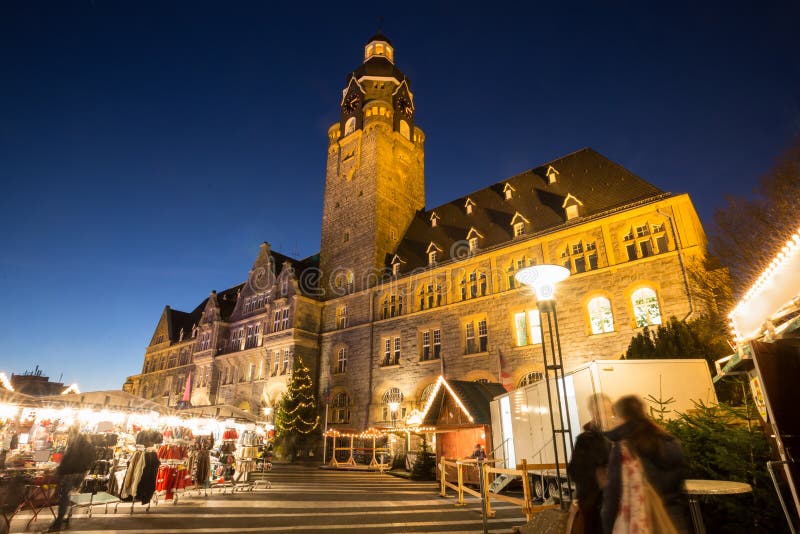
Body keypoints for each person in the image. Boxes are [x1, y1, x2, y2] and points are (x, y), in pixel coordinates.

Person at [601, 395, 688, 534]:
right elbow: (679, 486)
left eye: (615, 417)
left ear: (622, 417)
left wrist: (608, 526)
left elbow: (614, 495)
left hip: (641, 521)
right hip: (672, 521)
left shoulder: (624, 448)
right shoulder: (671, 442)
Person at [567, 393, 613, 534]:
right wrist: (596, 474)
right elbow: (573, 471)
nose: (603, 415)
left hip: (615, 503)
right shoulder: (585, 439)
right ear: (592, 412)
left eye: (606, 411)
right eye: (599, 411)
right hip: (593, 505)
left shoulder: (618, 437)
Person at [45, 424, 95, 532]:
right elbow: (90, 459)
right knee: (66, 497)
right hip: (77, 473)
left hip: (71, 474)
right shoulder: (85, 443)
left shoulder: (76, 444)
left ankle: (58, 522)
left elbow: (69, 460)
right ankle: (63, 519)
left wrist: (60, 471)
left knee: (64, 497)